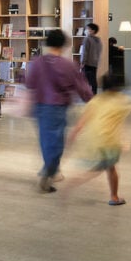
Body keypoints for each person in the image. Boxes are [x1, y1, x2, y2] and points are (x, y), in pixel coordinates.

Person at [23, 28, 93, 192]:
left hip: (39, 106)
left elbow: (29, 83)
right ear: (63, 45)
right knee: (56, 142)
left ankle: (51, 170)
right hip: (57, 107)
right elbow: (82, 87)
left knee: (46, 141)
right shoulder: (68, 65)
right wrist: (91, 100)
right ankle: (49, 172)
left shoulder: (37, 62)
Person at [66, 74, 131, 205]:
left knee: (103, 168)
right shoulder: (122, 101)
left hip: (95, 140)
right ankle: (114, 197)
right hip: (109, 141)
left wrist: (73, 134)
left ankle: (71, 184)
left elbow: (81, 122)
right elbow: (126, 115)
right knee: (104, 169)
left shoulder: (96, 100)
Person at [80, 22, 102, 96]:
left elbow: (84, 52)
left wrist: (82, 62)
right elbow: (99, 51)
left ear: (92, 30)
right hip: (95, 62)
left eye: (87, 29)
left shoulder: (87, 39)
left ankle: (87, 94)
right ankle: (94, 93)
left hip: (87, 63)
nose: (86, 30)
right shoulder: (98, 40)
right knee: (93, 79)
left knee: (85, 80)